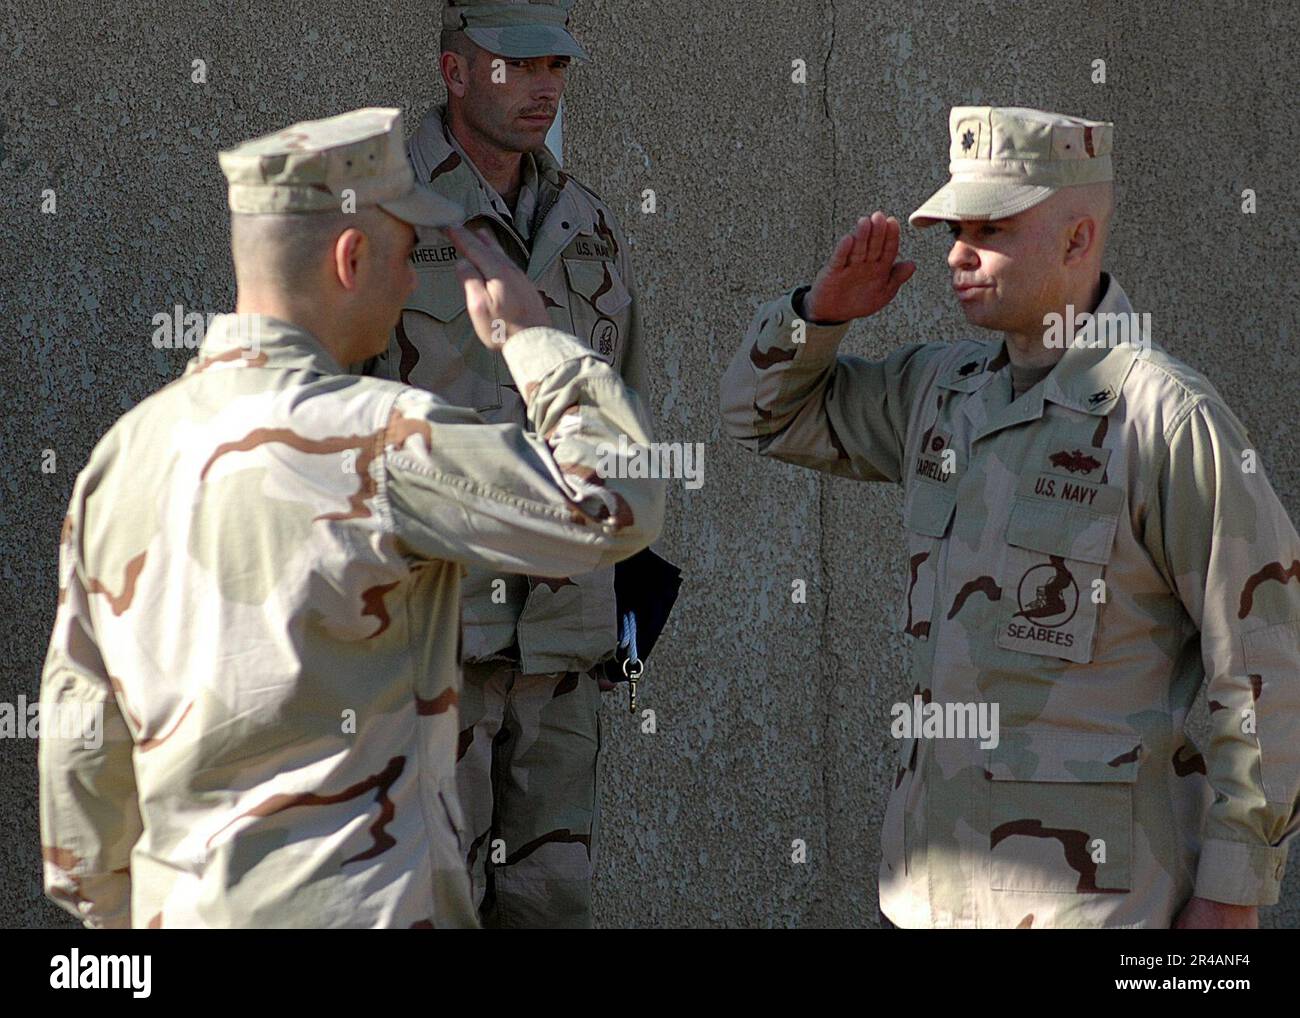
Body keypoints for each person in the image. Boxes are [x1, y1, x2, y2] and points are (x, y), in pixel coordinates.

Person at [38, 106, 664, 929]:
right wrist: (528, 340)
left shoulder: (122, 460)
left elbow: (80, 770)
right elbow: (616, 502)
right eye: (407, 256)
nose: (413, 284)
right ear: (351, 256)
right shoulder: (389, 441)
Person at [720, 105, 1300, 928]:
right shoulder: (940, 391)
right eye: (955, 228)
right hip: (931, 891)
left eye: (991, 229)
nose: (958, 253)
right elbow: (760, 417)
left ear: (1076, 240)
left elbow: (1267, 663)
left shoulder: (1165, 420)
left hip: (1091, 905)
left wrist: (1232, 899)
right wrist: (819, 313)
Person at [364, 0, 645, 927]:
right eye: (517, 66)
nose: (544, 87)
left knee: (551, 901)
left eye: (556, 67)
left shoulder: (589, 222)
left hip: (563, 643)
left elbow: (622, 414)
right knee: (429, 902)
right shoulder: (384, 212)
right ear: (454, 72)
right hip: (436, 643)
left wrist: (627, 594)